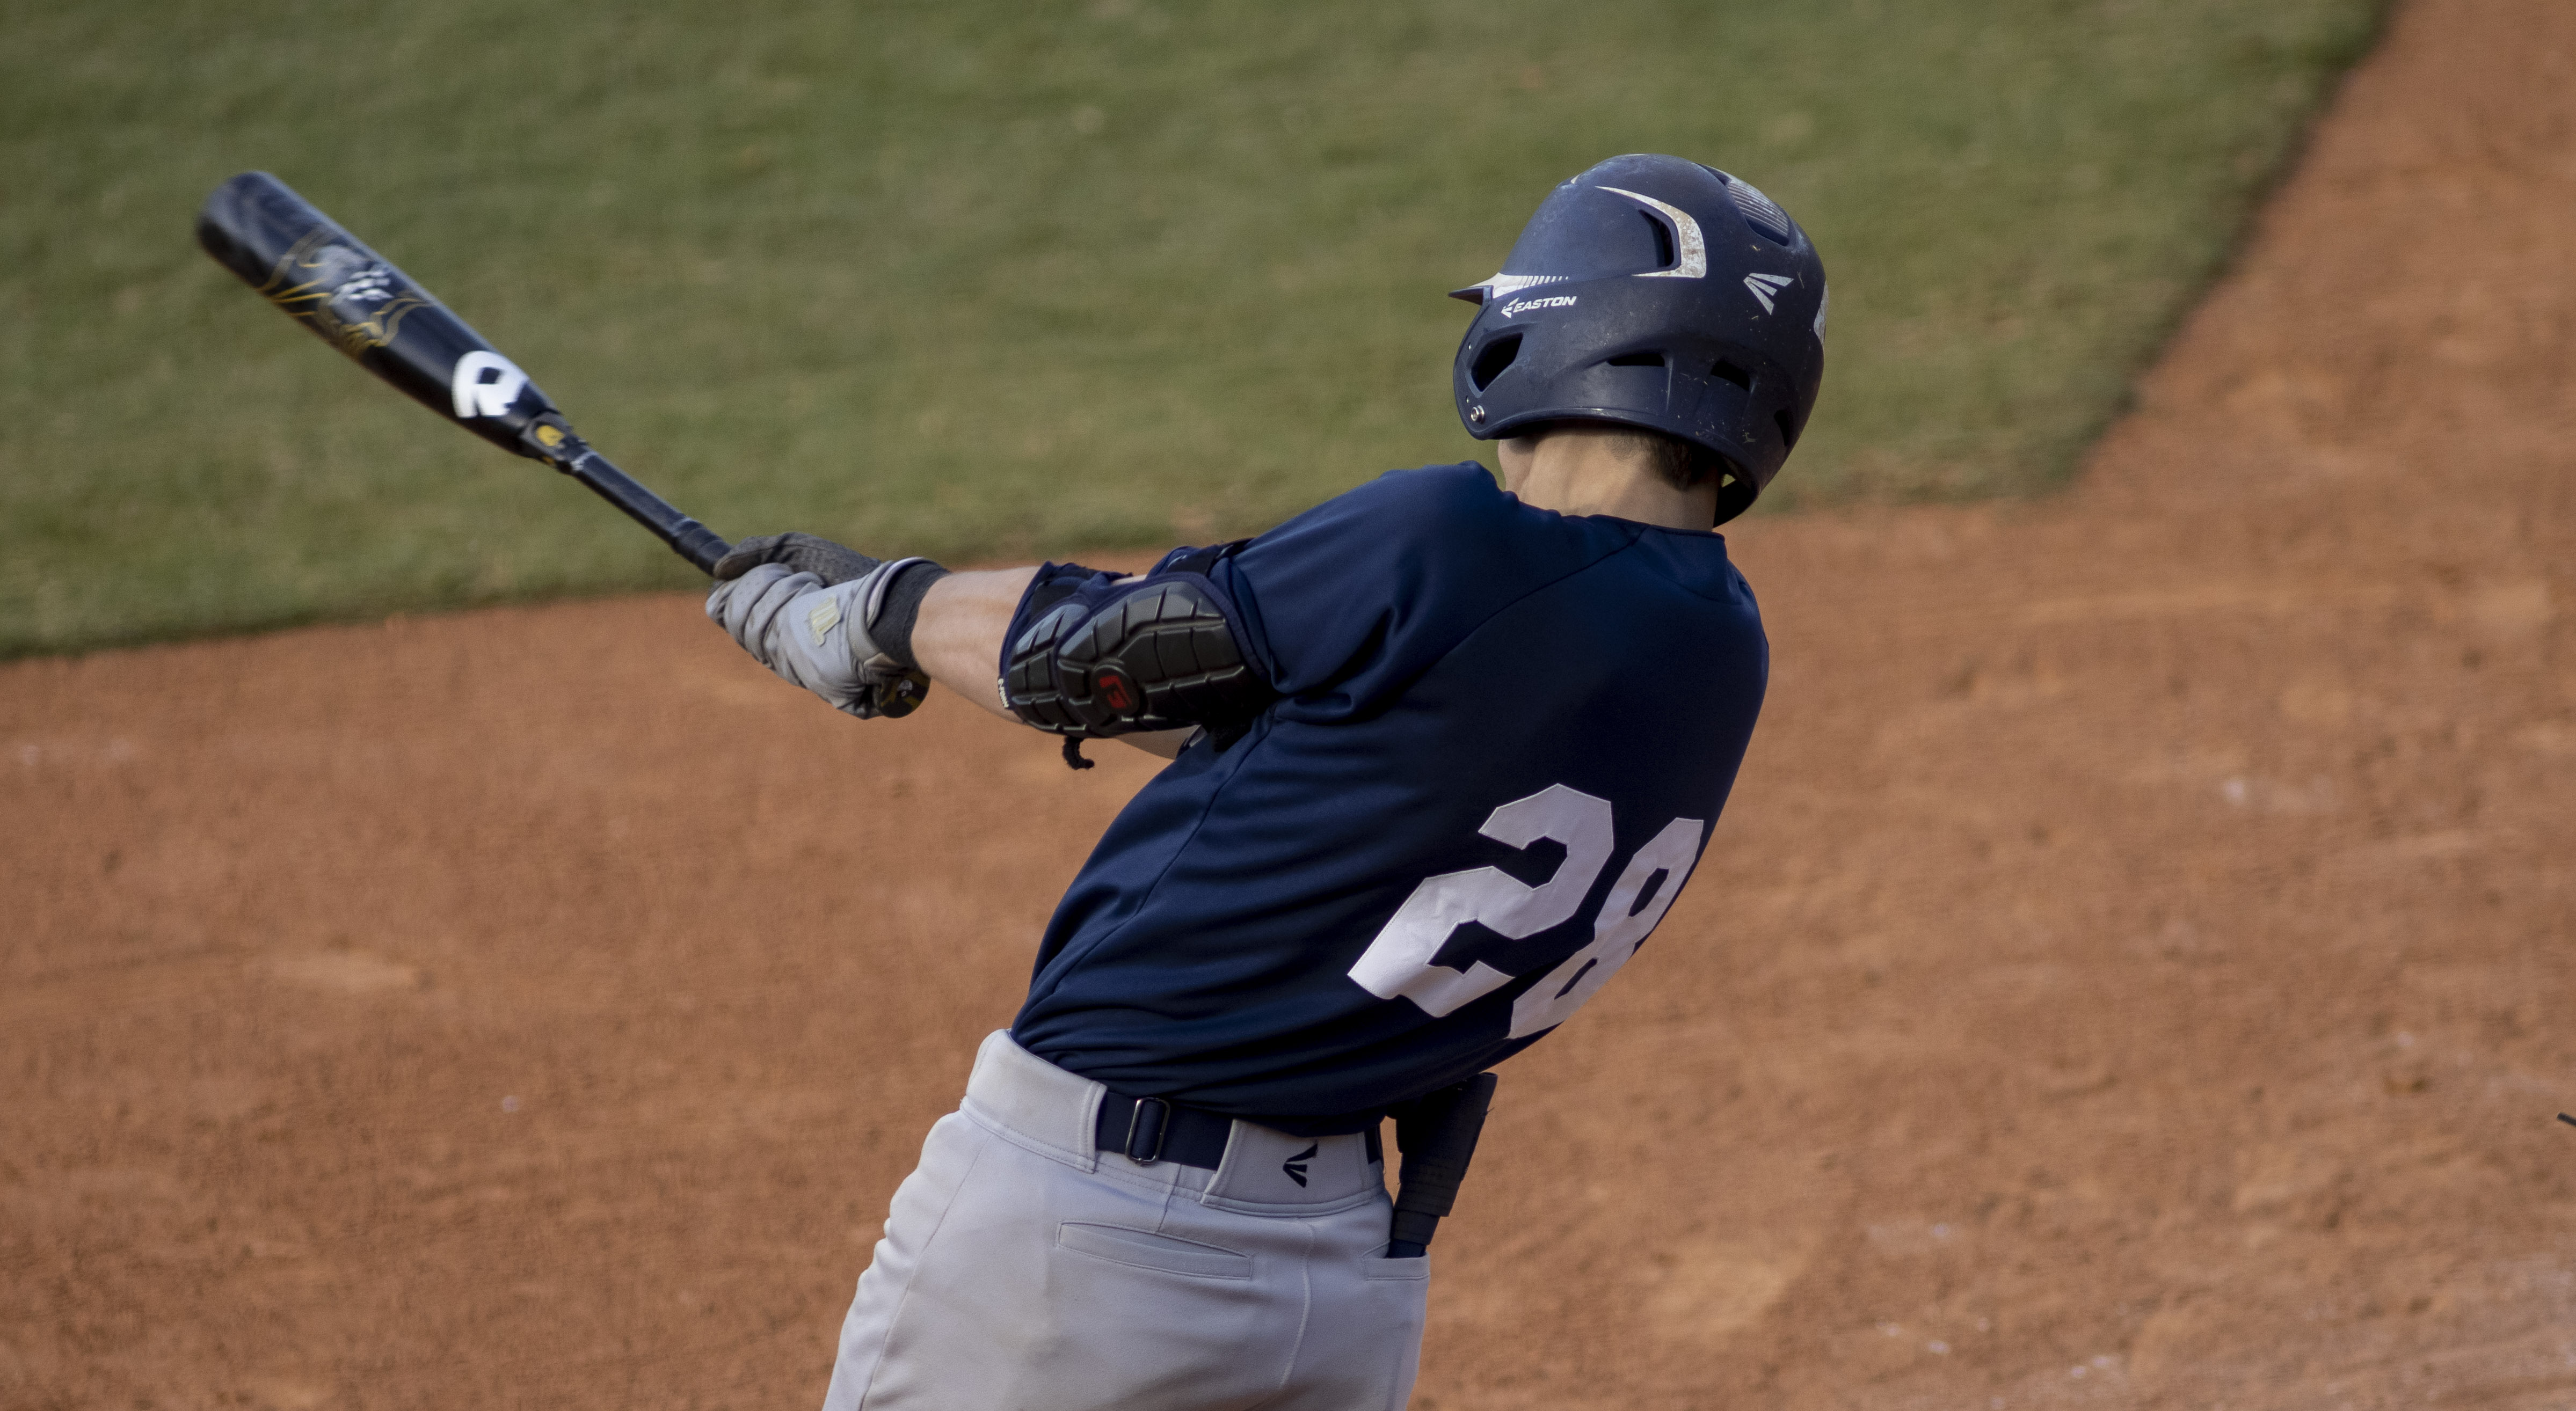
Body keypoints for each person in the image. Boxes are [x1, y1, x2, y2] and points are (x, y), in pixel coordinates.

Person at [704, 152, 1827, 1411]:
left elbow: (1094, 658)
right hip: (1344, 1282)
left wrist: (879, 609)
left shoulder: (1450, 545)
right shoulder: (1719, 647)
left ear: (1551, 324)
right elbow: (1320, 743)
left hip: (1088, 1254)